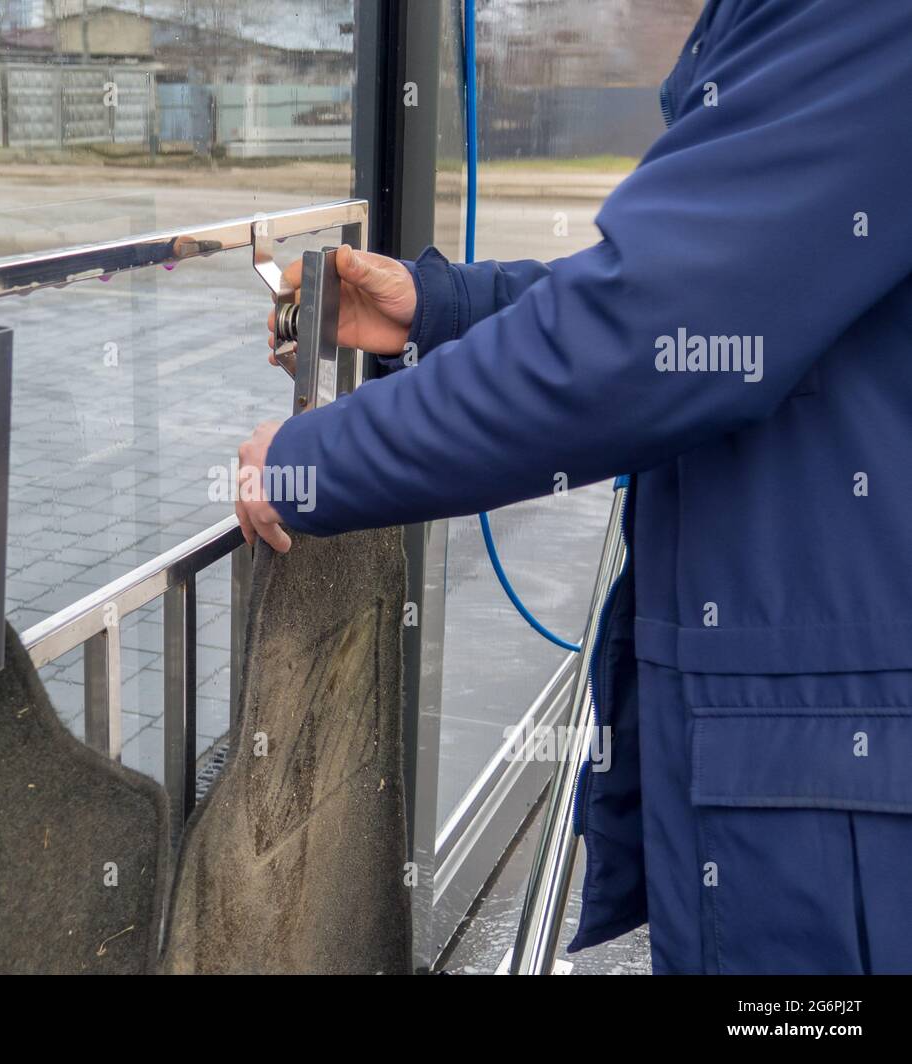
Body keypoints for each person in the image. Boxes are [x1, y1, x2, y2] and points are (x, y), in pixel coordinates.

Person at [235, 0, 912, 975]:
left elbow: (651, 330)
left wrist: (316, 459)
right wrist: (441, 305)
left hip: (839, 769)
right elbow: (713, 278)